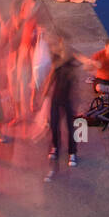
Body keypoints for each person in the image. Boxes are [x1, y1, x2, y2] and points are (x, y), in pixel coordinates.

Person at [44, 37, 81, 178]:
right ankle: (55, 147)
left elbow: (75, 82)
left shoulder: (71, 63)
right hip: (56, 98)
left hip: (68, 100)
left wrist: (76, 100)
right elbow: (51, 76)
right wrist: (45, 92)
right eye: (62, 46)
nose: (63, 48)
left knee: (70, 128)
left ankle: (72, 153)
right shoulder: (57, 60)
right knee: (54, 124)